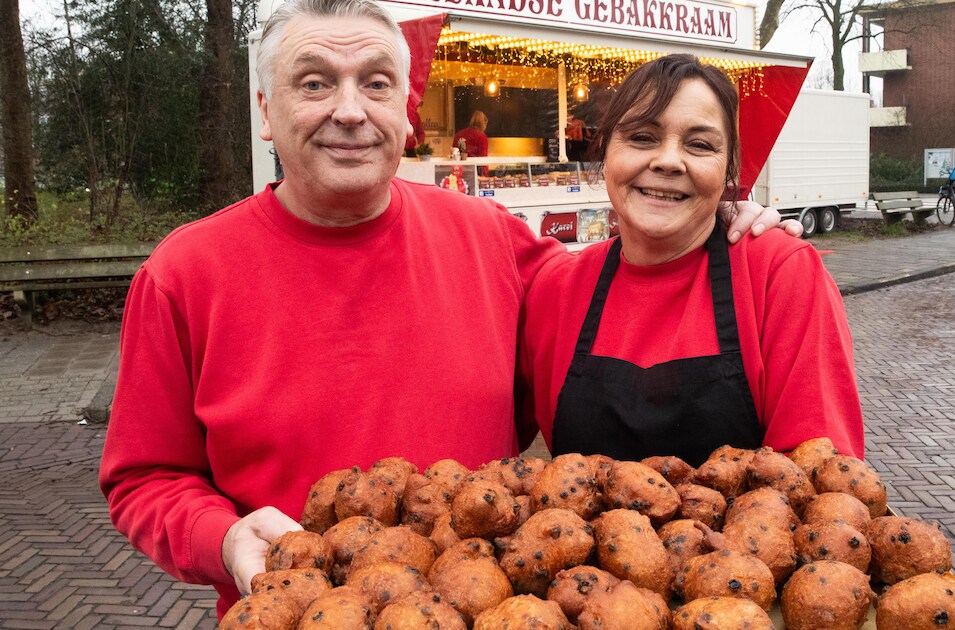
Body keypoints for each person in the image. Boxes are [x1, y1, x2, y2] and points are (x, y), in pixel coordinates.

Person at [97, 0, 791, 618]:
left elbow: (630, 289)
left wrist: (714, 228)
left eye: (376, 84)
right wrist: (221, 539)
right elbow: (144, 476)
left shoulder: (492, 240)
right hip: (295, 610)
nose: (349, 110)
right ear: (263, 111)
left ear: (406, 111)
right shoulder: (184, 276)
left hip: (477, 607)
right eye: (314, 83)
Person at [518, 54, 864, 467]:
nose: (668, 160)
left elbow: (821, 476)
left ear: (728, 170)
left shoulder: (779, 274)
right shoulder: (555, 290)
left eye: (699, 145)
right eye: (642, 137)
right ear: (605, 153)